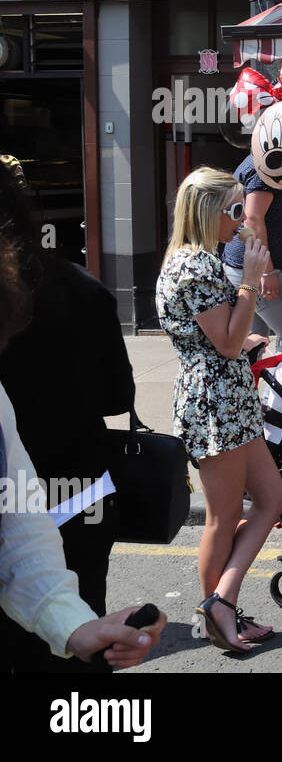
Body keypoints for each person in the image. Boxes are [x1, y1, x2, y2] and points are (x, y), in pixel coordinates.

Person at [0, 180, 166, 673]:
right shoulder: (80, 284)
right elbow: (118, 396)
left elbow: (22, 540)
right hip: (80, 493)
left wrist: (71, 623)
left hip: (36, 504)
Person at [155, 167, 282, 654]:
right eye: (234, 211)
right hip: (214, 401)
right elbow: (228, 344)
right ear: (208, 212)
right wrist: (250, 283)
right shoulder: (194, 266)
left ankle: (222, 602)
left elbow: (223, 339)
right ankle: (219, 611)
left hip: (227, 395)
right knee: (222, 515)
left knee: (273, 498)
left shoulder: (198, 261)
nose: (241, 222)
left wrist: (242, 323)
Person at [221, 152, 282, 353]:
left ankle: (254, 384)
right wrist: (267, 272)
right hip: (254, 267)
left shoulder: (264, 163)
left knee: (254, 343)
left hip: (247, 265)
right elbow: (253, 219)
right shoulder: (262, 169)